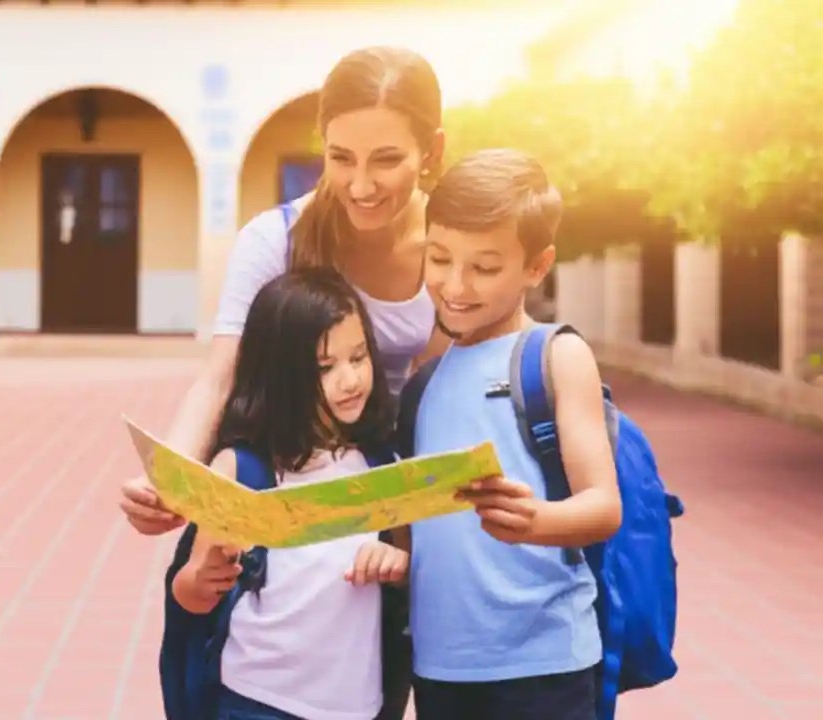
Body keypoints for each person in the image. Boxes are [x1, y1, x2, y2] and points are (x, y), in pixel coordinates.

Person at [119, 44, 446, 543]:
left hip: (410, 499)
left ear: (432, 152)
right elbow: (220, 378)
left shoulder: (452, 246)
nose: (361, 186)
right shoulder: (276, 240)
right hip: (296, 495)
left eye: (386, 160)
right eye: (341, 158)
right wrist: (168, 481)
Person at [406, 148, 622, 720]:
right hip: (441, 666)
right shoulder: (425, 379)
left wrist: (538, 521)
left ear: (536, 266)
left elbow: (603, 506)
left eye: (484, 267)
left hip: (544, 664)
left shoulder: (555, 355)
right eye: (439, 258)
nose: (455, 284)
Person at [172, 267, 409, 720]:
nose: (350, 379)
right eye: (325, 367)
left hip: (355, 706)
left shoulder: (384, 465)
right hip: (256, 700)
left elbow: (411, 571)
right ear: (279, 375)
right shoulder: (241, 470)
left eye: (358, 357)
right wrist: (203, 579)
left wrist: (395, 565)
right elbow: (191, 594)